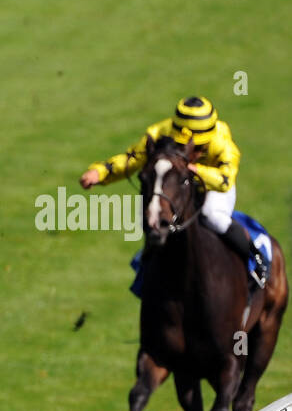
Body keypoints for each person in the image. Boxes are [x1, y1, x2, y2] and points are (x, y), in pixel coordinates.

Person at [80, 95, 266, 288]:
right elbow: (133, 158)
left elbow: (225, 181)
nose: (188, 151)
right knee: (154, 213)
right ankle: (146, 269)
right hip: (178, 186)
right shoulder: (160, 134)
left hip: (213, 188)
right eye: (181, 145)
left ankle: (255, 260)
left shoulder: (223, 144)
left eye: (197, 148)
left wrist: (196, 170)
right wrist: (100, 172)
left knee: (213, 216)